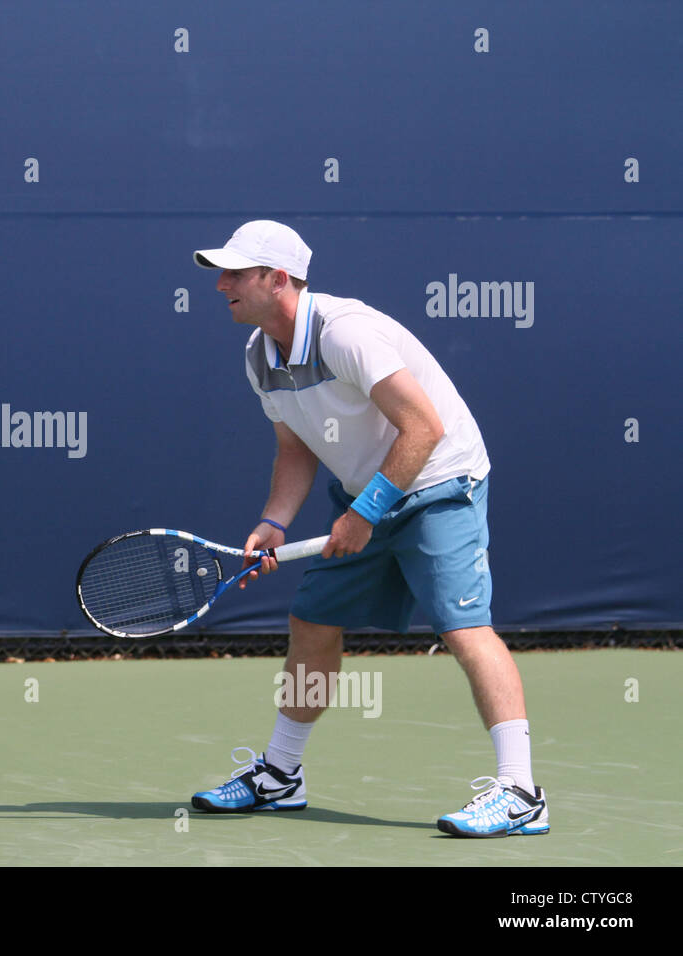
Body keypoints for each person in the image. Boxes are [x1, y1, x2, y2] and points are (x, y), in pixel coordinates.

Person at [187, 220, 548, 837]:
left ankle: (520, 793)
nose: (221, 284)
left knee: (464, 629)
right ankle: (280, 775)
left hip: (440, 480)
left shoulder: (347, 334)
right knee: (312, 620)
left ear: (278, 280)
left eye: (236, 273)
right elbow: (296, 449)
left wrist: (364, 514)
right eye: (220, 273)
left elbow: (424, 429)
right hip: (366, 492)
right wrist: (275, 521)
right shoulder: (259, 356)